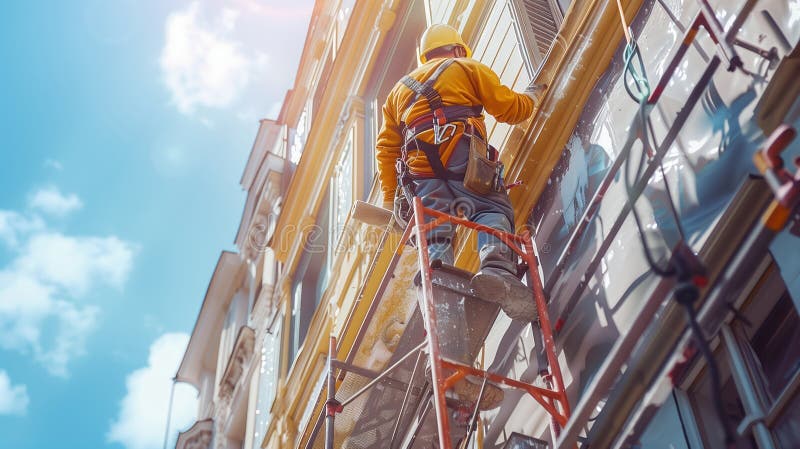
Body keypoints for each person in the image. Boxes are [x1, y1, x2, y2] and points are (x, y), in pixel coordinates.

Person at [375, 23, 545, 323]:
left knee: (435, 233)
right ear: (456, 49)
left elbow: (386, 150)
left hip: (421, 171)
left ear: (425, 57)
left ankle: (441, 300)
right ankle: (496, 269)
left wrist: (390, 199)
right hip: (460, 152)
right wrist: (530, 99)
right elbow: (509, 109)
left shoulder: (396, 93)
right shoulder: (466, 67)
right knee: (489, 207)